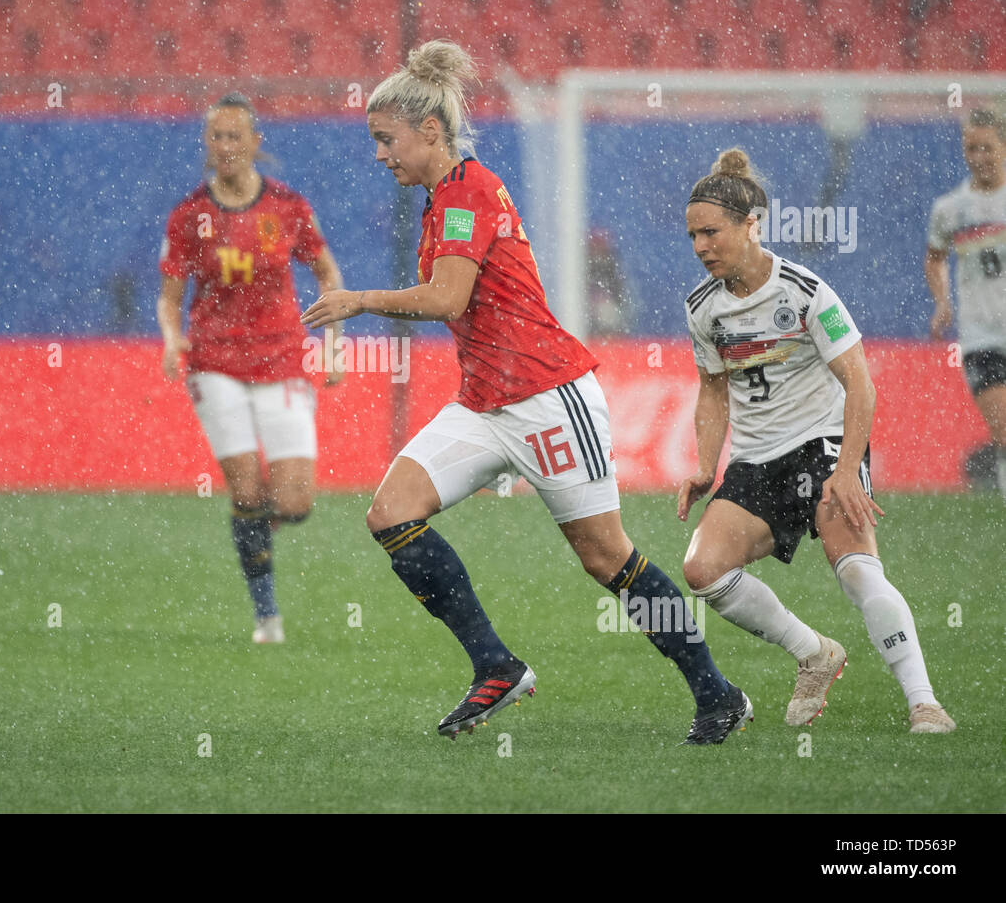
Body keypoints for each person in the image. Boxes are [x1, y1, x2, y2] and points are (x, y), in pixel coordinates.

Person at [300, 40, 748, 744]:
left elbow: (450, 297)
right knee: (392, 513)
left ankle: (718, 693)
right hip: (485, 401)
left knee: (607, 558)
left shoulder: (469, 191)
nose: (379, 154)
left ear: (431, 131)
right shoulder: (444, 197)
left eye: (386, 140)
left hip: (546, 395)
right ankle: (496, 666)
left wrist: (358, 300)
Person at [677, 148, 955, 734]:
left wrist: (847, 468)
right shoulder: (703, 308)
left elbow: (860, 384)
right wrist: (706, 465)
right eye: (693, 235)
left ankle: (923, 701)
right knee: (703, 571)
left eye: (711, 232)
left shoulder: (806, 293)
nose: (701, 246)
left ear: (752, 225)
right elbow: (711, 390)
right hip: (756, 460)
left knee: (856, 571)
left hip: (822, 444)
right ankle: (814, 654)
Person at [158, 92, 344, 644]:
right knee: (244, 491)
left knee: (294, 502)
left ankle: (255, 531)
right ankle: (267, 615)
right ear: (207, 146)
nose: (227, 145)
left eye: (237, 135)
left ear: (256, 143)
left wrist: (332, 342)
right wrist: (173, 338)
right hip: (215, 361)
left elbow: (328, 275)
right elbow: (170, 296)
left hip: (282, 358)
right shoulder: (190, 215)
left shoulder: (287, 208)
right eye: (217, 136)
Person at [926, 108, 1006, 504]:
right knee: (1004, 430)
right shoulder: (951, 209)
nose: (978, 157)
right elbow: (935, 257)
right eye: (970, 148)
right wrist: (943, 302)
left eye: (986, 148)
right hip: (981, 337)